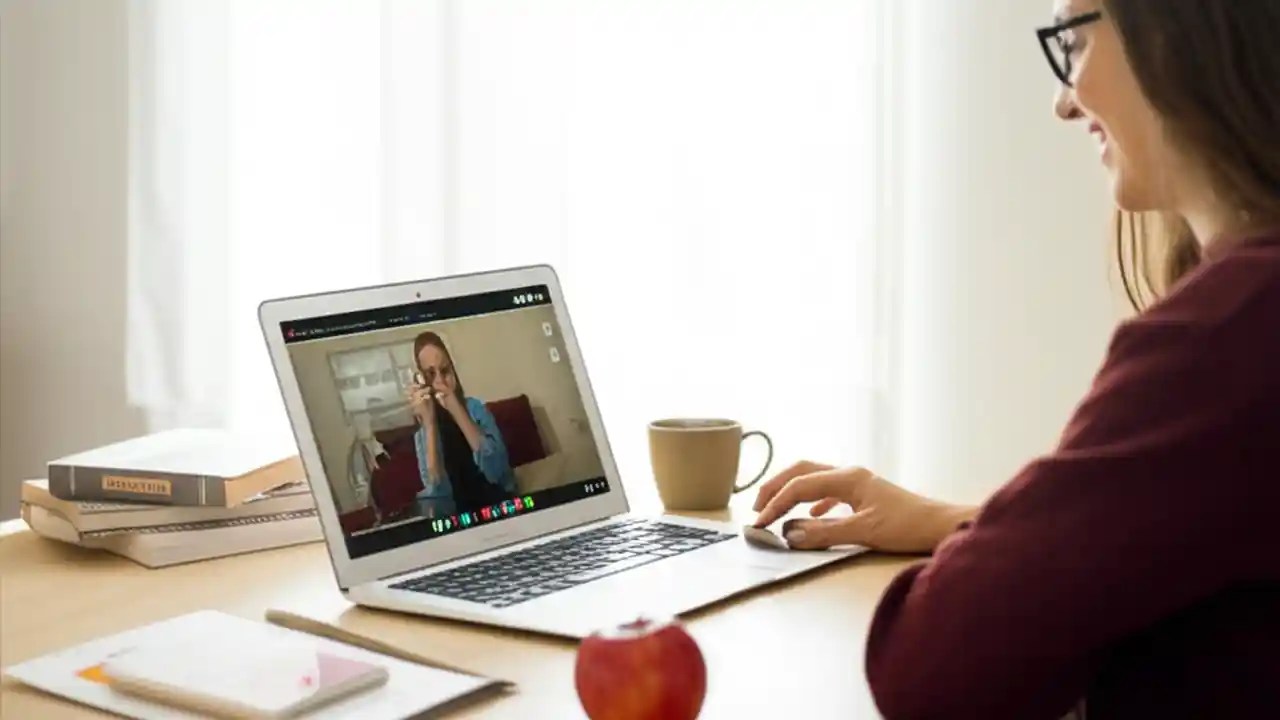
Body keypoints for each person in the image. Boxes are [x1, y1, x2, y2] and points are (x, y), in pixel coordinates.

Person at [752, 1, 1279, 717]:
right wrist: (960, 523)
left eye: (1073, 42)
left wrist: (990, 552)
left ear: (1175, 28)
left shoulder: (1230, 335)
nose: (1064, 102)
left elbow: (931, 671)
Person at [406, 331, 516, 518]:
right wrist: (430, 424)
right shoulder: (422, 436)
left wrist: (455, 407)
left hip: (498, 507)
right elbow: (437, 497)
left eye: (445, 370)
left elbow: (499, 472)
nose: (440, 380)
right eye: (431, 374)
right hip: (459, 519)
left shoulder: (476, 408)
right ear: (422, 380)